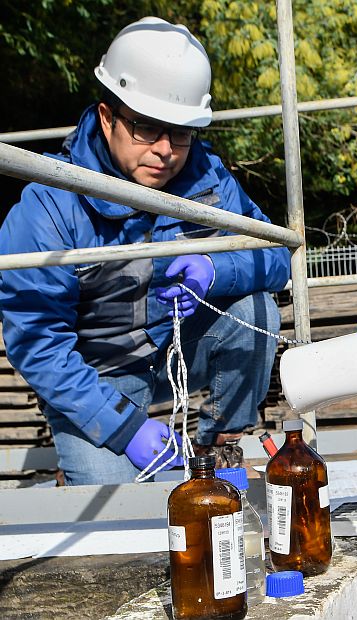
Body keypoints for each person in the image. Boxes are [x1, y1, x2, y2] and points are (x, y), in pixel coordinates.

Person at [0, 17, 291, 485]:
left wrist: (217, 272)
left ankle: (220, 450)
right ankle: (93, 457)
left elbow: (276, 255)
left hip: (179, 348)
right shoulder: (50, 205)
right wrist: (125, 427)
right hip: (96, 373)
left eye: (180, 132)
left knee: (256, 310)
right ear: (106, 116)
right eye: (145, 129)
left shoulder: (208, 179)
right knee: (114, 517)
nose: (165, 151)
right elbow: (38, 342)